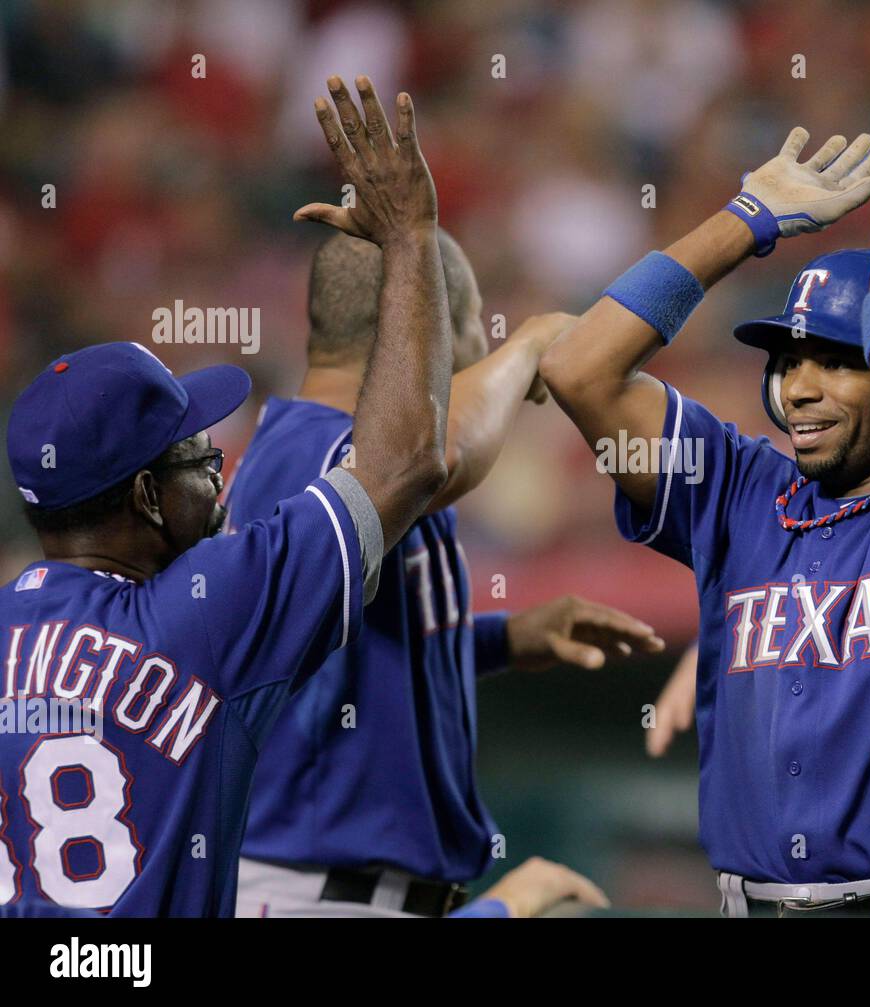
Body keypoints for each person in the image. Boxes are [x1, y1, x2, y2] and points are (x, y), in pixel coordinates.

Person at [541, 106, 870, 917]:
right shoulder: (739, 491)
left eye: (838, 361)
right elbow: (579, 368)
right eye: (789, 361)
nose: (801, 387)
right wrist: (744, 222)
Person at [0, 76, 447, 916]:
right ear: (143, 493)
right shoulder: (203, 609)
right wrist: (412, 237)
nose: (217, 478)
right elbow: (408, 462)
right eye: (196, 458)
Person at [227, 227, 663, 918]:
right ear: (423, 330)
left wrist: (500, 637)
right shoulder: (311, 451)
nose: (478, 350)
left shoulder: (328, 456)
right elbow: (435, 454)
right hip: (309, 889)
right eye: (472, 325)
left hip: (360, 889)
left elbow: (357, 641)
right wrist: (528, 343)